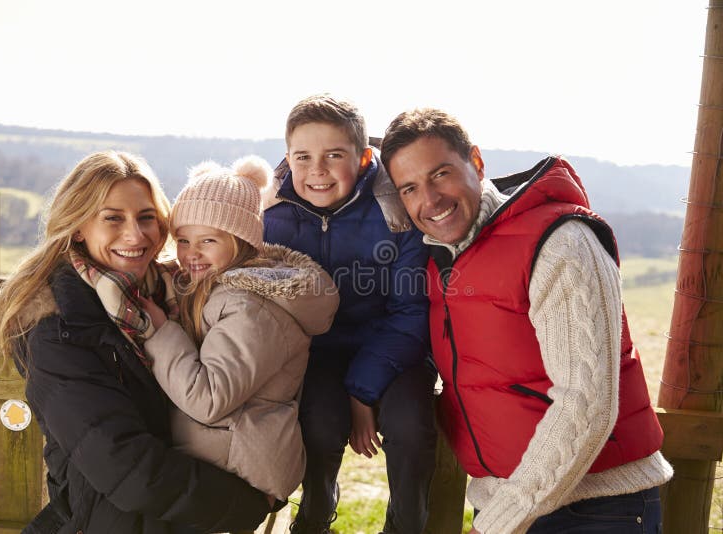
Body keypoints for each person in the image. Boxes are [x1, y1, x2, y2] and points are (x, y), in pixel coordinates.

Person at [380, 108, 674, 533]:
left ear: (477, 163)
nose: (429, 200)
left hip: (596, 510)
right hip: (511, 507)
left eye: (440, 174)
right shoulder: (443, 259)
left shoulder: (561, 242)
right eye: (409, 188)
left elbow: (586, 402)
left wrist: (501, 520)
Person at [0, 150, 272, 534]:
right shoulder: (59, 327)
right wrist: (246, 504)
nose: (135, 235)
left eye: (147, 217)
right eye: (113, 219)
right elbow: (126, 467)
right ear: (79, 226)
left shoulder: (171, 296)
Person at [262, 94, 438, 534]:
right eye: (303, 157)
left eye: (333, 156)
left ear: (362, 158)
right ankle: (316, 514)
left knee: (411, 425)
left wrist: (362, 393)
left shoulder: (395, 213)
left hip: (394, 348)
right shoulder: (272, 215)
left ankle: (407, 523)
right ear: (287, 157)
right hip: (315, 352)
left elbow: (411, 310)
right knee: (320, 423)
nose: (316, 170)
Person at [139, 156, 339, 503]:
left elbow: (210, 400)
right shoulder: (213, 285)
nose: (191, 254)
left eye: (208, 241)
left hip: (238, 463)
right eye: (183, 240)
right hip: (221, 450)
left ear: (241, 240)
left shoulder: (250, 307)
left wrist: (159, 331)